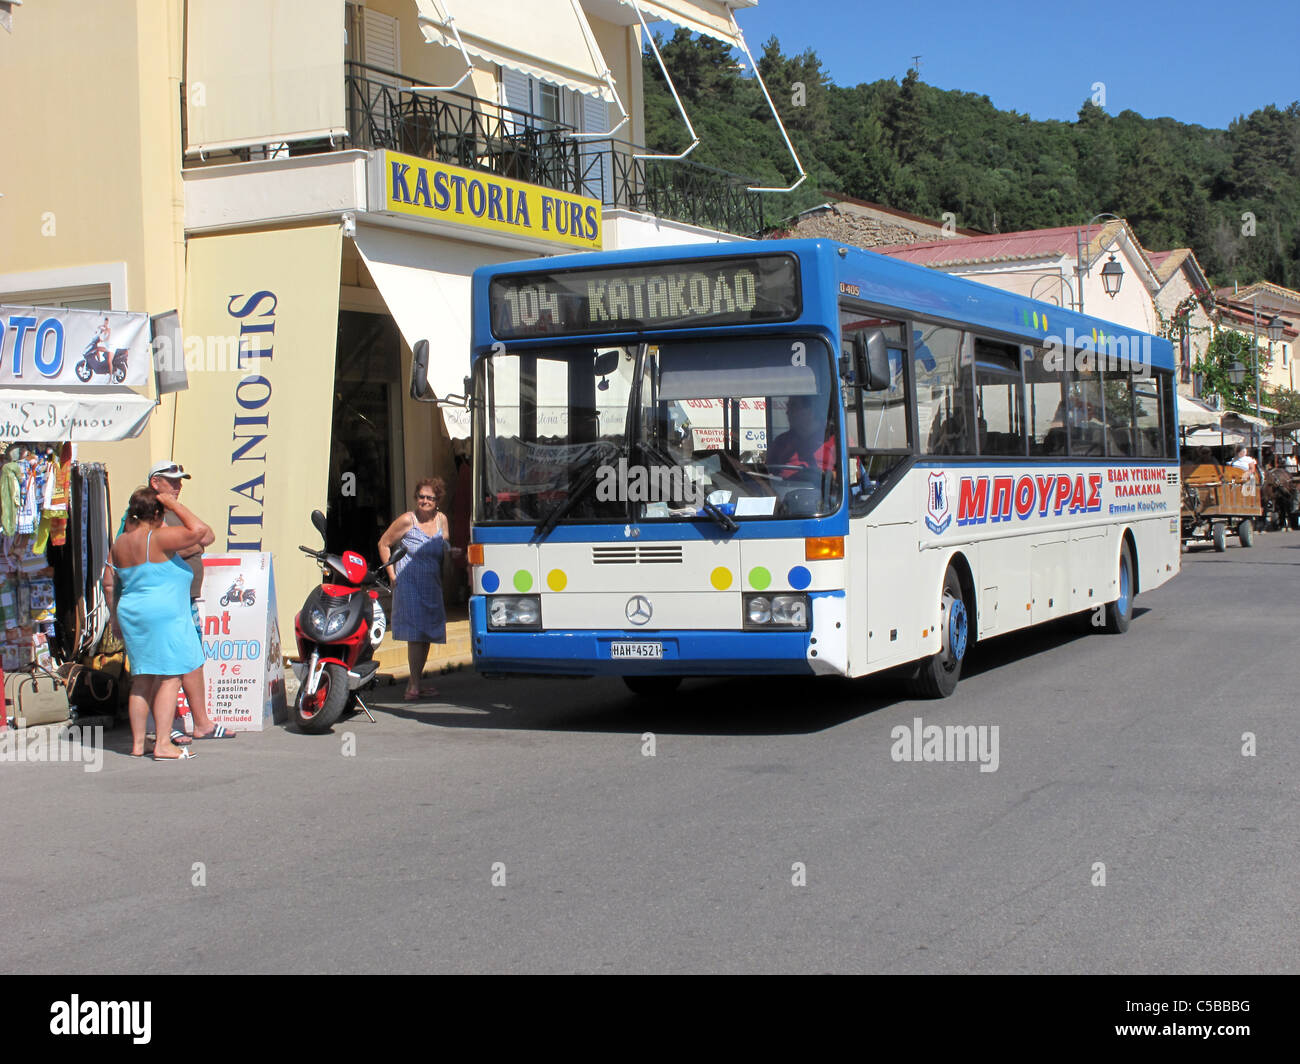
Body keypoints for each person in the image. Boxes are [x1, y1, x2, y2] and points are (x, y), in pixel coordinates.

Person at [106, 460, 232, 741]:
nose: (178, 486)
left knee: (153, 674)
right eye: (172, 481)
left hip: (156, 605)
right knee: (169, 673)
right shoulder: (148, 522)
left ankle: (151, 738)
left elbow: (205, 536)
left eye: (180, 481)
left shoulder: (146, 528)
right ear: (155, 484)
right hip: (164, 607)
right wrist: (182, 534)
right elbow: (200, 534)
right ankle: (163, 735)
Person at [109, 488, 210, 760]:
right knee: (170, 677)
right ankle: (164, 742)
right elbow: (200, 530)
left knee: (142, 679)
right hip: (163, 613)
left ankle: (139, 744)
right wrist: (173, 504)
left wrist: (113, 617)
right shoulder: (157, 537)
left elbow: (111, 583)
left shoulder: (120, 543)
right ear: (156, 513)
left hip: (133, 612)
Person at [378, 478, 451, 701]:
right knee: (416, 636)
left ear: (437, 501)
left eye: (430, 497)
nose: (425, 501)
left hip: (432, 584)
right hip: (409, 583)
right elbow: (384, 543)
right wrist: (391, 575)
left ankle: (414, 681)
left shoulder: (442, 520)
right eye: (421, 497)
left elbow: (445, 546)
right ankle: (413, 686)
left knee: (427, 633)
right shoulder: (407, 520)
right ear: (416, 498)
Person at [767, 394, 836, 476]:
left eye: (793, 407)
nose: (787, 412)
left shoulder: (837, 442)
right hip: (782, 488)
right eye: (788, 407)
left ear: (811, 410)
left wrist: (829, 477)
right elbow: (769, 472)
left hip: (822, 488)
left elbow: (850, 476)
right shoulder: (781, 442)